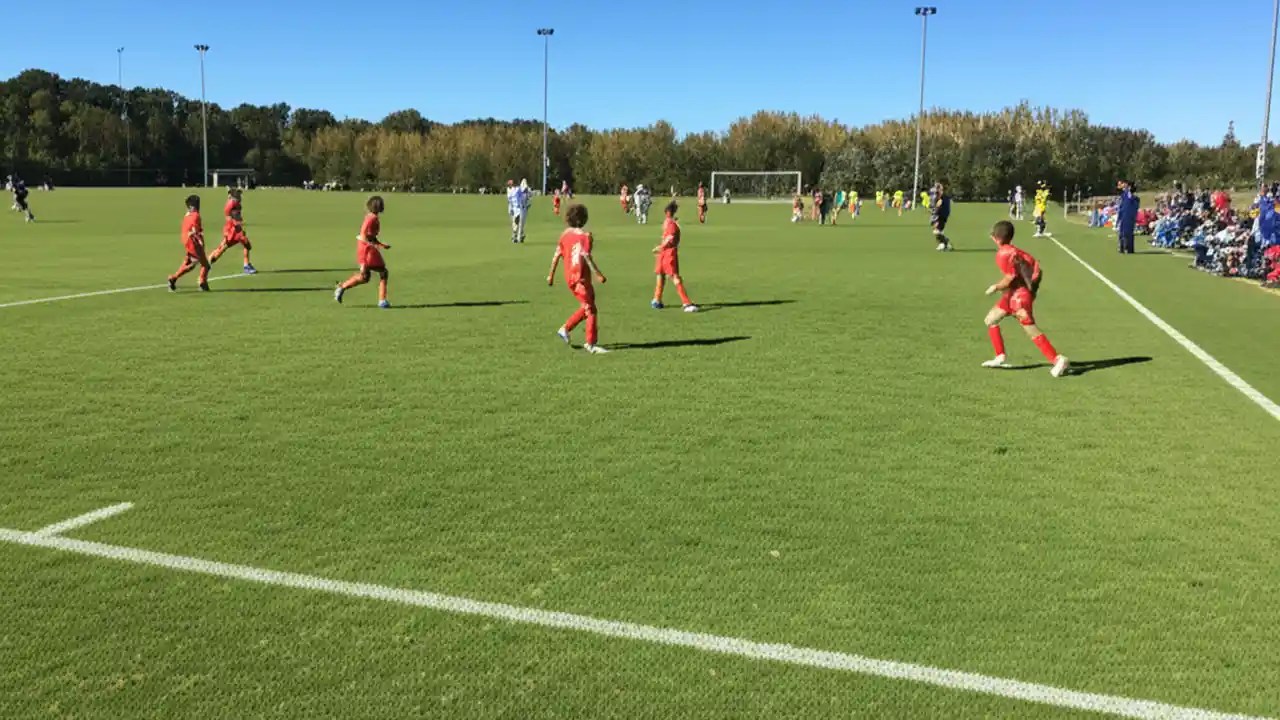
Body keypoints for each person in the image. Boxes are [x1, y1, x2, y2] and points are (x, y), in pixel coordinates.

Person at [981, 220, 1069, 377]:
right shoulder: (1014, 251)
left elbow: (1009, 278)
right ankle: (1000, 356)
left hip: (1019, 296)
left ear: (997, 238)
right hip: (1014, 293)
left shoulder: (1003, 253)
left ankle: (1058, 360)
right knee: (991, 319)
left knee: (1030, 329)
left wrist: (995, 287)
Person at [546, 203, 608, 354]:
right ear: (583, 219)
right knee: (591, 309)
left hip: (571, 278)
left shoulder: (565, 235)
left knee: (587, 306)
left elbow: (557, 255)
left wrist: (551, 275)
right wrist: (598, 274)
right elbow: (586, 257)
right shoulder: (585, 237)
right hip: (580, 278)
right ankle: (591, 344)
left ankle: (565, 329)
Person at [334, 196, 391, 308]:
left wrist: (381, 244)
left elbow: (370, 236)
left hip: (368, 248)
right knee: (376, 274)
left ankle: (342, 287)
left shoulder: (372, 217)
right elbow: (363, 234)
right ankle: (382, 300)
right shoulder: (371, 218)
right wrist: (365, 256)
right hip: (366, 249)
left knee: (369, 276)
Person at [651, 200, 699, 312]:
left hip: (663, 254)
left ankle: (656, 300)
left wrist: (660, 247)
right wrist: (661, 246)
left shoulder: (667, 222)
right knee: (675, 277)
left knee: (661, 276)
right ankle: (686, 303)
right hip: (669, 253)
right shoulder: (671, 224)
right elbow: (670, 238)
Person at [168, 195, 210, 292]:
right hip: (193, 241)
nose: (198, 206)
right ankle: (174, 278)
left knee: (189, 262)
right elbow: (195, 230)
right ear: (192, 206)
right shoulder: (196, 215)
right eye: (196, 204)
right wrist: (200, 241)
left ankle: (174, 279)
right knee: (201, 264)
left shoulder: (187, 215)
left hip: (186, 240)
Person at [209, 187, 257, 274]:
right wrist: (234, 226)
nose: (240, 197)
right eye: (238, 195)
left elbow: (237, 216)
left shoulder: (237, 203)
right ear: (234, 196)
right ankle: (209, 261)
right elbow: (229, 219)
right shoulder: (230, 205)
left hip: (238, 230)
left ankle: (246, 265)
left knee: (246, 245)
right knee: (223, 248)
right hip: (232, 230)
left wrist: (240, 225)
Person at [1116, 180, 1139, 254]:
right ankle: (1122, 247)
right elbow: (1121, 207)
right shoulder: (1124, 195)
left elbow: (1133, 205)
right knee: (1122, 232)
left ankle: (1129, 248)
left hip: (1129, 216)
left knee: (1128, 233)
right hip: (1124, 215)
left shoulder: (1133, 198)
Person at [931, 182, 953, 251]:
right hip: (938, 216)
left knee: (937, 231)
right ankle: (944, 244)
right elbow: (934, 207)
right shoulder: (937, 198)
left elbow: (943, 209)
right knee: (938, 231)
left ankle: (945, 242)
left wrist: (936, 213)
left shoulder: (944, 198)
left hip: (941, 216)